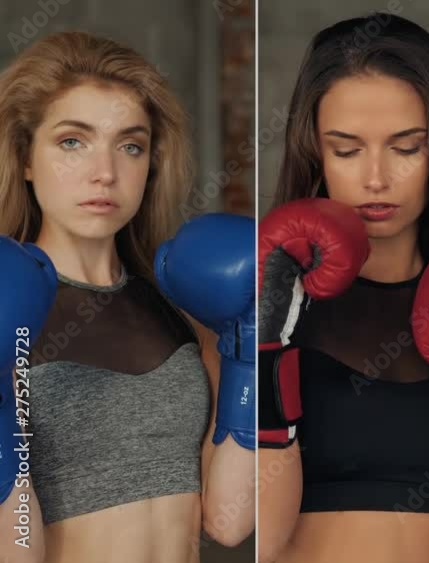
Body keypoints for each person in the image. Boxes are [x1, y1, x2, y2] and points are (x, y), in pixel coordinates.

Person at [256, 14, 429, 563]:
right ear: (315, 154)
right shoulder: (268, 299)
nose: (376, 177)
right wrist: (263, 344)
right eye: (347, 150)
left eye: (406, 147)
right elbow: (256, 535)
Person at [0, 31, 256, 563]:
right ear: (25, 158)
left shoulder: (186, 309)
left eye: (130, 145)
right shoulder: (7, 304)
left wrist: (251, 345)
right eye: (73, 141)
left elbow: (231, 522)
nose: (105, 172)